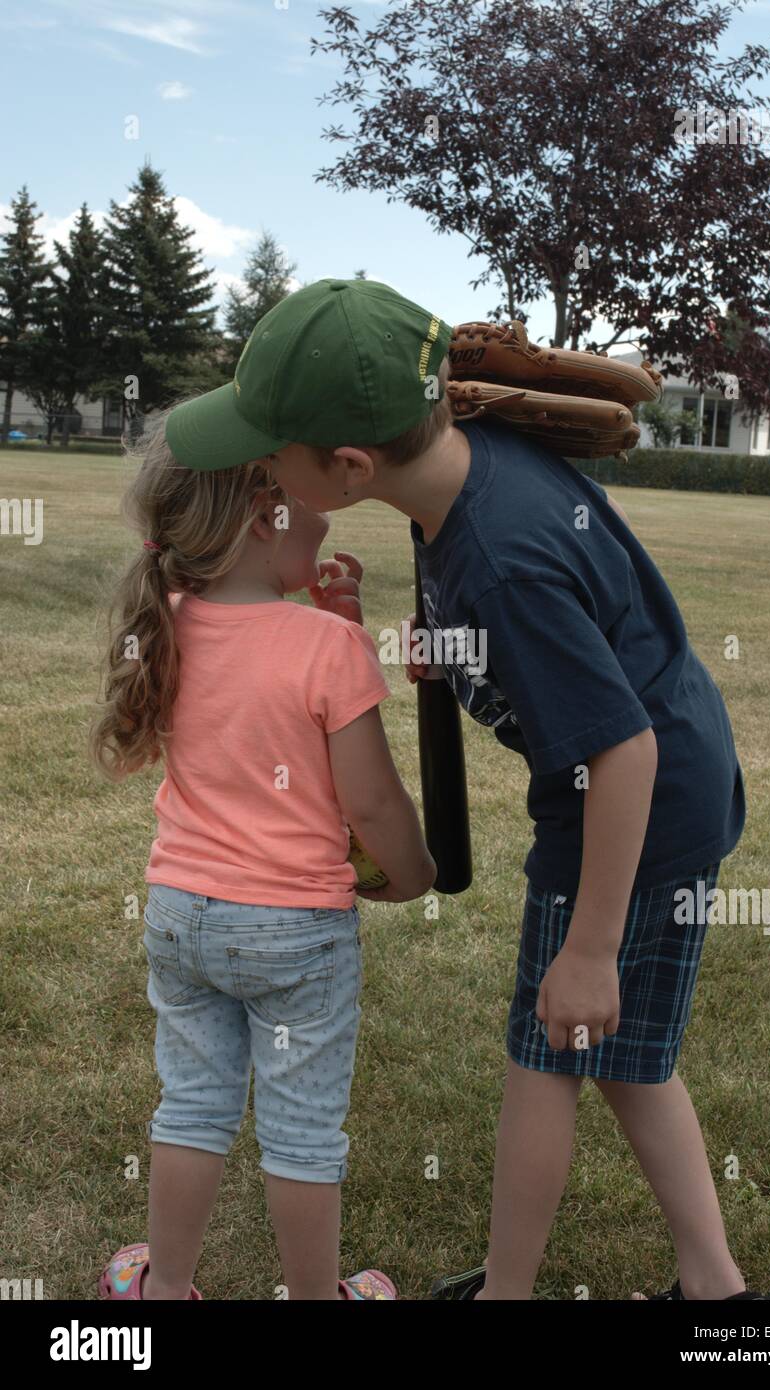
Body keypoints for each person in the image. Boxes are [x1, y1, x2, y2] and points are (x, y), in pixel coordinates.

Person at [162, 277, 770, 1302]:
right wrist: (446, 652)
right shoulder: (455, 475)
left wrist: (587, 950)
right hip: (664, 783)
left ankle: (507, 1294)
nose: (260, 466)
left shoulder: (503, 558)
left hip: (629, 809)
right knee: (624, 1058)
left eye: (271, 449)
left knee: (551, 1045)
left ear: (346, 467)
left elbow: (621, 749)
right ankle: (716, 1290)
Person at [91, 414, 435, 1300]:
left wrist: (340, 622)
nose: (326, 516)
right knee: (302, 1130)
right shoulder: (325, 650)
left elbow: (250, 684)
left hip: (181, 917)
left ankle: (162, 1291)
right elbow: (369, 801)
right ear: (262, 516)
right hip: (295, 936)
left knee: (194, 1108)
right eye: (309, 500)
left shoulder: (167, 621)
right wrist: (415, 873)